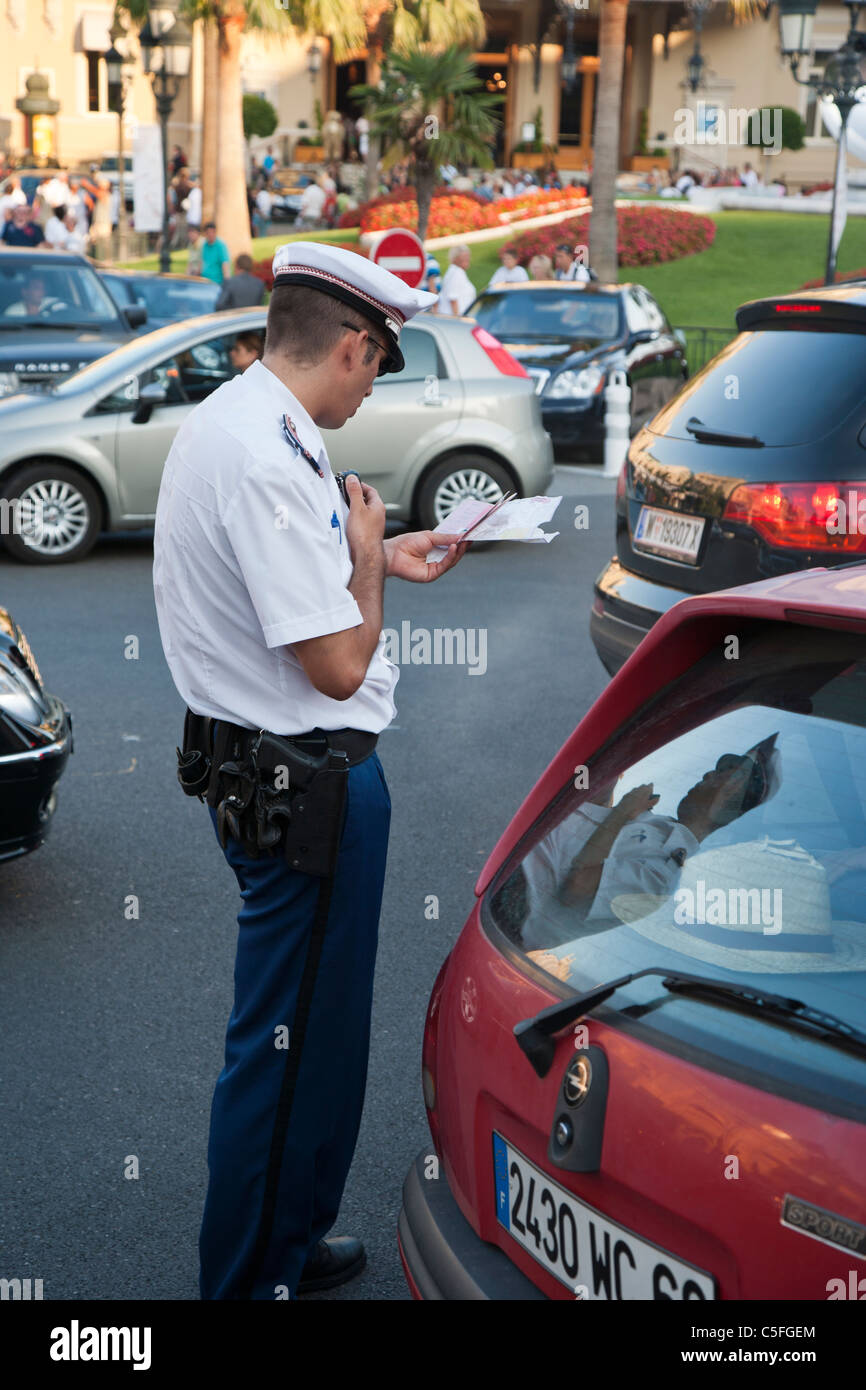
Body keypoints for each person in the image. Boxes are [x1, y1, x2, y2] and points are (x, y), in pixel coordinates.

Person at [152, 240, 468, 1302]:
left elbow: (290, 593)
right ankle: (248, 1281)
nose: (374, 384)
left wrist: (389, 552)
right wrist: (371, 567)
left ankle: (287, 1239)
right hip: (305, 781)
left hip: (282, 775)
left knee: (317, 1040)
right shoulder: (264, 453)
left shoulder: (248, 421)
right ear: (348, 346)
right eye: (377, 363)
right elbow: (336, 663)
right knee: (285, 1058)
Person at [437, 244, 475, 316]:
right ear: (455, 258)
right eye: (464, 257)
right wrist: (457, 320)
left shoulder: (456, 271)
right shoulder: (456, 273)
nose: (467, 259)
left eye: (468, 256)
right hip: (454, 318)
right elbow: (453, 298)